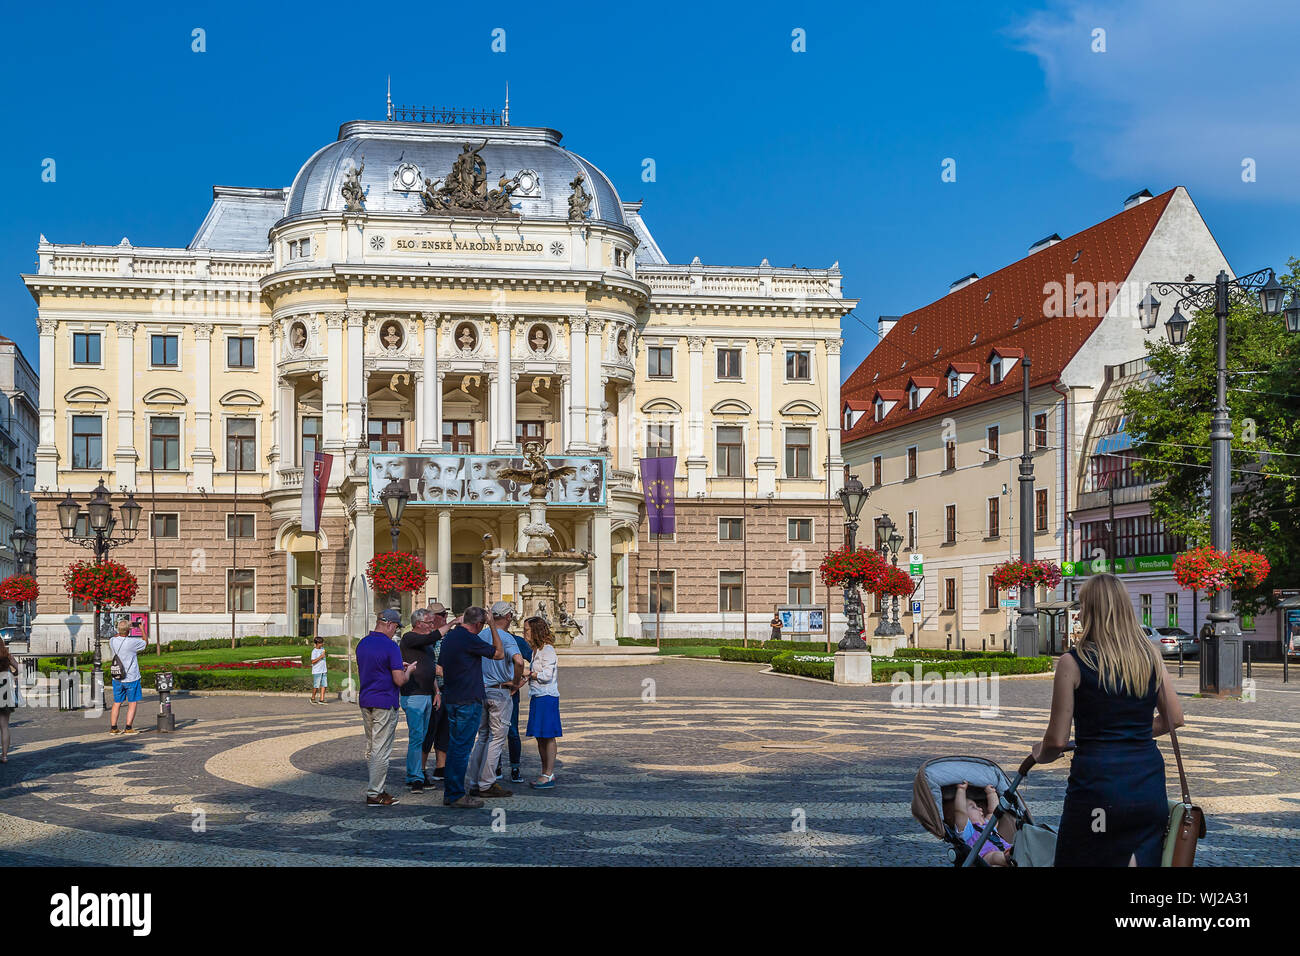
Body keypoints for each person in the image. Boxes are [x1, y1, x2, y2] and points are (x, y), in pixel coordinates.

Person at [1032, 573, 1184, 866]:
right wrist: (1133, 733)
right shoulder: (1151, 657)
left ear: (1090, 611)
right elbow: (1174, 719)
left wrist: (1040, 754)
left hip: (1098, 791)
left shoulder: (1073, 662)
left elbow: (1057, 740)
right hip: (1147, 789)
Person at [437, 606, 503, 808]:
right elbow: (499, 653)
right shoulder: (469, 638)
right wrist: (493, 627)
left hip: (452, 696)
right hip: (468, 699)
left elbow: (441, 666)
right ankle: (455, 794)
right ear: (478, 624)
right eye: (482, 624)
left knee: (455, 746)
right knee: (461, 749)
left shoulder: (451, 637)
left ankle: (452, 791)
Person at [356, 608, 417, 807]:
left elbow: (375, 668)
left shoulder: (362, 643)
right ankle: (375, 793)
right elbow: (399, 680)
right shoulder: (390, 646)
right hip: (385, 701)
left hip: (366, 699)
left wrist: (398, 664)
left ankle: (376, 787)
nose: (395, 632)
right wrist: (408, 671)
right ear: (389, 624)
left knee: (372, 746)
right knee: (381, 749)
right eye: (395, 628)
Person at [467, 602, 525, 799]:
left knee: (482, 736)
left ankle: (474, 780)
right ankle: (487, 783)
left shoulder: (480, 635)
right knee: (497, 738)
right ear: (508, 617)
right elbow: (519, 661)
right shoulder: (506, 637)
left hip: (480, 691)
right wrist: (516, 683)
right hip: (499, 691)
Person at [399, 608, 442, 793]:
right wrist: (453, 623)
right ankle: (415, 777)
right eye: (429, 623)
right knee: (417, 737)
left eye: (433, 623)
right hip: (413, 694)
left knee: (423, 737)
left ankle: (416, 774)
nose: (431, 626)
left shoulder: (426, 645)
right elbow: (431, 638)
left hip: (427, 694)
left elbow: (429, 668)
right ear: (418, 624)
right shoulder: (409, 638)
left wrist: (436, 691)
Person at [523, 615, 562, 789]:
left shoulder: (548, 651)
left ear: (536, 631)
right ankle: (544, 771)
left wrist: (530, 674)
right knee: (540, 736)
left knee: (548, 735)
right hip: (537, 696)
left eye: (527, 630)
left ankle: (549, 773)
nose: (524, 634)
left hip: (547, 697)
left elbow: (546, 675)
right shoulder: (536, 651)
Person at [421, 602, 453, 784]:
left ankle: (441, 767)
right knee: (428, 730)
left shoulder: (449, 636)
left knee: (445, 730)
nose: (444, 618)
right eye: (441, 615)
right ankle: (421, 769)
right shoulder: (425, 638)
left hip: (447, 688)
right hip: (430, 689)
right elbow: (420, 661)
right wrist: (436, 669)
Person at [954, 781, 1012, 865]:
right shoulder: (968, 830)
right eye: (973, 807)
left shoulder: (988, 824)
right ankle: (1011, 859)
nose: (980, 808)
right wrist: (961, 790)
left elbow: (995, 811)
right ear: (966, 816)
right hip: (985, 856)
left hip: (1007, 849)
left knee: (1018, 844)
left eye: (978, 806)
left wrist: (991, 793)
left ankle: (1014, 856)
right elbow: (960, 811)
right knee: (994, 856)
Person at [108, 619, 148, 735]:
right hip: (131, 677)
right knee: (132, 702)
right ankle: (128, 727)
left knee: (117, 702)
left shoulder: (112, 641)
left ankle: (114, 728)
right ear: (129, 630)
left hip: (117, 677)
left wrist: (124, 627)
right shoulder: (132, 642)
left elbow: (117, 635)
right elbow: (145, 642)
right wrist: (141, 629)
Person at [504, 621, 533, 782]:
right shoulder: (486, 638)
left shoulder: (516, 640)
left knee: (508, 731)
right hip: (505, 690)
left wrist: (519, 682)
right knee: (509, 731)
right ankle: (507, 768)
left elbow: (533, 660)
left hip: (505, 690)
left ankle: (510, 768)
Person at [0, 642, 18, 761]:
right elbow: (20, 669)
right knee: (4, 726)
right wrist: (12, 674)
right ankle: (5, 756)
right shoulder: (7, 656)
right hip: (5, 689)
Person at [309, 636, 329, 704]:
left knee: (324, 685)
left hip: (324, 670)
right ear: (317, 643)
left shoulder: (323, 649)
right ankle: (313, 698)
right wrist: (320, 657)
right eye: (321, 643)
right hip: (317, 671)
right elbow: (312, 662)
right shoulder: (314, 651)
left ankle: (321, 699)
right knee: (316, 686)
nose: (322, 644)